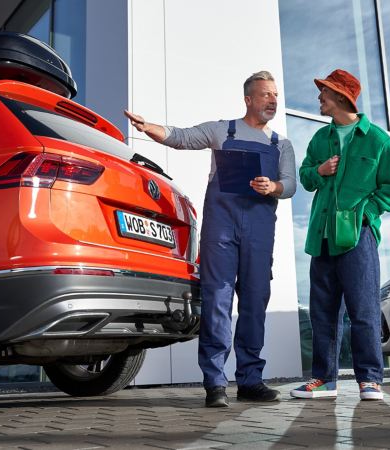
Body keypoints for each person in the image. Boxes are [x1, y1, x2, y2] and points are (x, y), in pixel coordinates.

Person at [124, 71, 296, 408]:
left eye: (275, 95)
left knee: (254, 302)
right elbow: (182, 136)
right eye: (265, 95)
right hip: (222, 227)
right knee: (218, 299)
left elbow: (290, 183)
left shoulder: (282, 144)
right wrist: (149, 128)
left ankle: (250, 380)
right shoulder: (223, 130)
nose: (272, 101)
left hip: (259, 229)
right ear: (249, 99)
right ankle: (215, 383)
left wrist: (273, 187)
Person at [291, 69, 390, 401]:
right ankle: (323, 381)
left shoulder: (378, 140)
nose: (319, 99)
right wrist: (319, 170)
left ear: (341, 97)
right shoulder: (319, 139)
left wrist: (365, 213)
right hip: (322, 235)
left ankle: (370, 379)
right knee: (322, 311)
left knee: (363, 309)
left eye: (323, 93)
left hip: (358, 236)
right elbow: (306, 178)